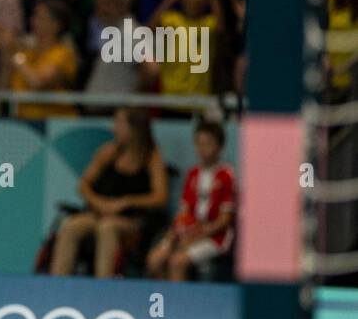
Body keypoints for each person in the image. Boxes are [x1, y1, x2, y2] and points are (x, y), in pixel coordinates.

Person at [50, 108, 168, 278]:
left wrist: (126, 202)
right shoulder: (108, 152)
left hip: (131, 220)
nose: (114, 128)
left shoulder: (152, 158)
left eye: (119, 124)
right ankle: (58, 282)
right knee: (71, 226)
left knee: (107, 228)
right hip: (99, 212)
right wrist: (100, 203)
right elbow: (83, 185)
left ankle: (103, 284)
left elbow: (160, 198)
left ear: (135, 129)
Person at [147, 120, 235, 281]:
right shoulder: (192, 174)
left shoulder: (226, 176)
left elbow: (225, 219)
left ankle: (178, 304)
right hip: (189, 233)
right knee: (155, 259)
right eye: (199, 144)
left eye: (208, 144)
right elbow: (184, 213)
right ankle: (162, 301)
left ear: (219, 147)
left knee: (177, 262)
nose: (202, 149)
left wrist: (196, 236)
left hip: (215, 238)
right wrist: (171, 237)